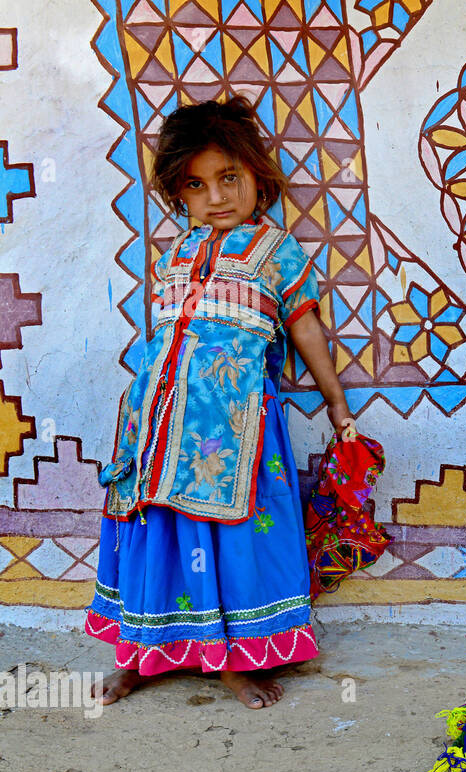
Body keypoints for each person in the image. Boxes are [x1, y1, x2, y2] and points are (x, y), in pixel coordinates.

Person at [85, 96, 353, 709]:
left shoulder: (279, 252)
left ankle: (230, 661)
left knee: (230, 542)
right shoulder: (176, 253)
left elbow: (306, 329)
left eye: (229, 176)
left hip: (235, 431)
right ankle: (141, 656)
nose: (217, 196)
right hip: (154, 426)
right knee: (159, 534)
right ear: (181, 196)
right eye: (197, 185)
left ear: (258, 174)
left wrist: (337, 404)